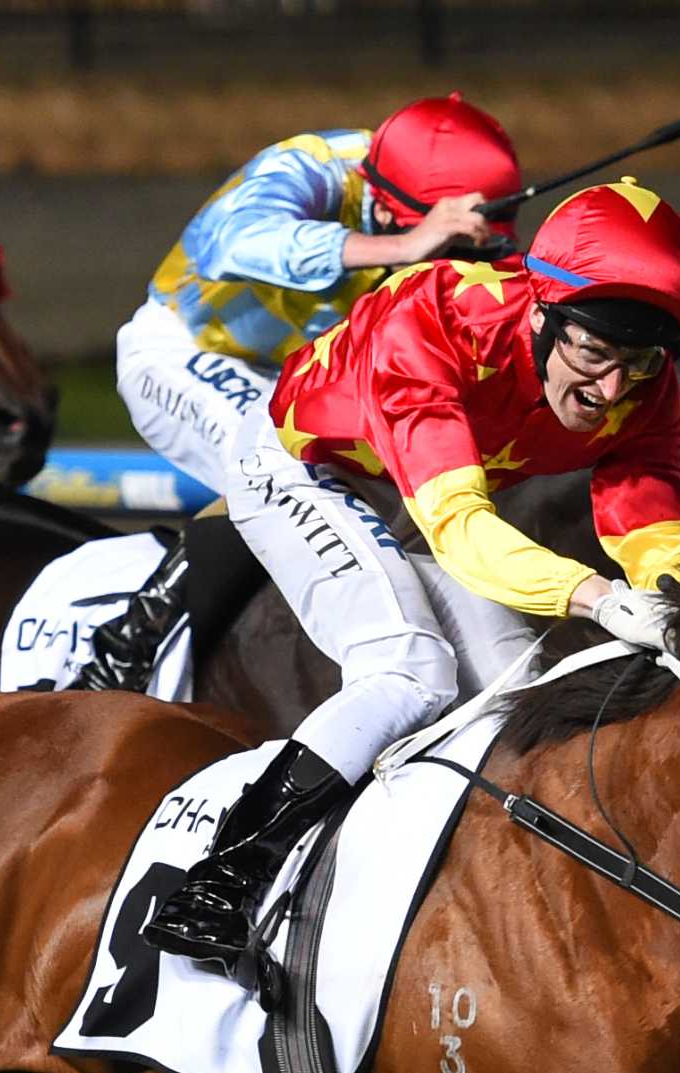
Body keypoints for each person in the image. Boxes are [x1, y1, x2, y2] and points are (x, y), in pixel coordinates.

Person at [137, 178, 680, 970]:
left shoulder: (644, 384)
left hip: (429, 490)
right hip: (307, 470)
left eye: (639, 362)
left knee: (519, 687)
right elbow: (463, 531)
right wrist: (601, 598)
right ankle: (223, 879)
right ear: (540, 313)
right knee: (410, 668)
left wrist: (675, 588)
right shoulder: (436, 320)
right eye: (596, 354)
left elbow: (643, 498)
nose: (614, 389)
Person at [84, 94, 524, 692]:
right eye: (445, 247)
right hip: (184, 350)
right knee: (272, 459)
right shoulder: (316, 164)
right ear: (399, 212)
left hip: (300, 379)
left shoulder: (433, 208)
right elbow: (232, 241)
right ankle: (131, 641)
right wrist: (404, 249)